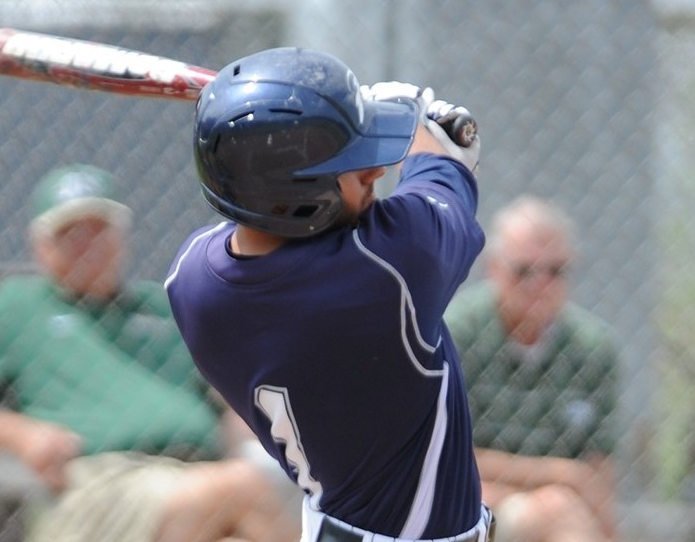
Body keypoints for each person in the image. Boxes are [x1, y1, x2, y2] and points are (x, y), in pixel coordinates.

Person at [164, 47, 493, 542]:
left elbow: (255, 204)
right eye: (356, 165)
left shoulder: (191, 280)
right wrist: (426, 127)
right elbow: (443, 175)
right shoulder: (389, 270)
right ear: (295, 199)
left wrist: (341, 119)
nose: (376, 172)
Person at [0, 164, 300, 542]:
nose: (88, 245)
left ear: (122, 237)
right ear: (41, 246)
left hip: (195, 477)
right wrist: (21, 434)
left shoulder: (160, 307)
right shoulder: (20, 305)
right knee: (245, 488)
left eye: (99, 230)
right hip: (102, 484)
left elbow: (226, 400)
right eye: (70, 234)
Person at [445, 195, 620, 542]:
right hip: (470, 499)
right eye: (524, 271)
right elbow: (444, 461)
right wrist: (559, 474)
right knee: (553, 511)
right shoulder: (456, 336)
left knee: (562, 514)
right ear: (493, 268)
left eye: (555, 271)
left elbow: (598, 471)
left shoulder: (591, 349)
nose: (540, 285)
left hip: (557, 503)